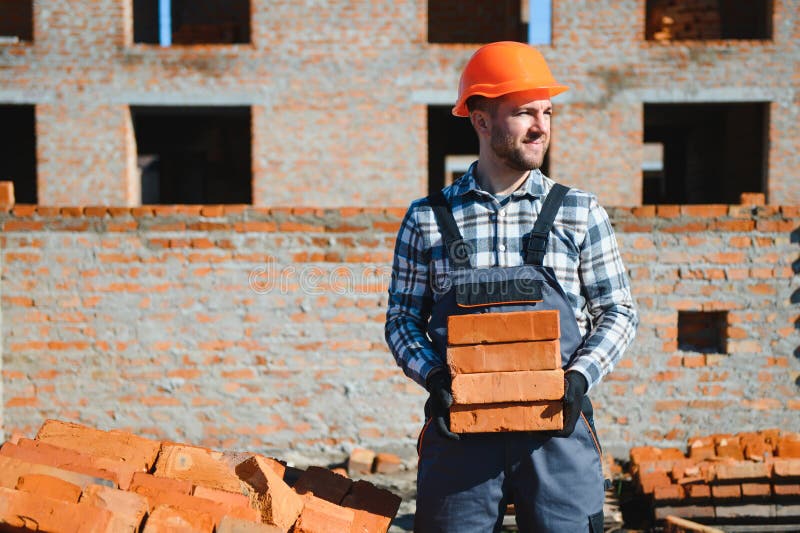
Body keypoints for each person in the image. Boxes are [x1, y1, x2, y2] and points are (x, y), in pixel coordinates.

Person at [385, 41, 638, 532]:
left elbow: (619, 311)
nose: (541, 126)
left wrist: (578, 378)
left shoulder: (579, 211)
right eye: (525, 113)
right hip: (460, 436)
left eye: (547, 112)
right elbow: (401, 320)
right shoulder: (428, 219)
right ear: (481, 121)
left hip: (555, 433)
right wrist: (435, 377)